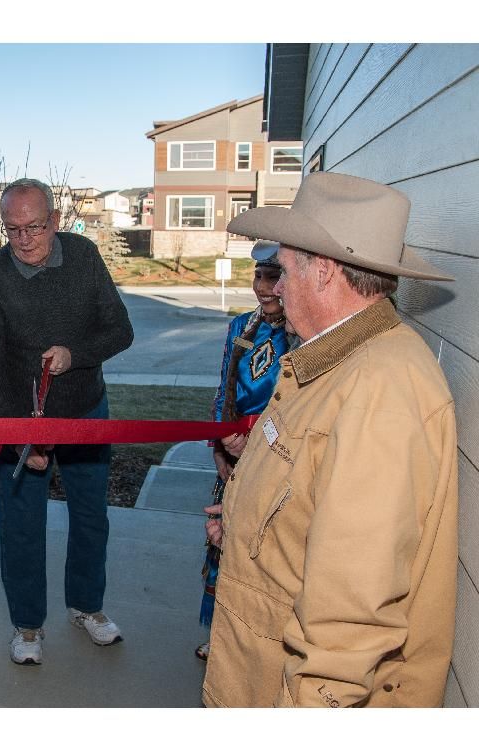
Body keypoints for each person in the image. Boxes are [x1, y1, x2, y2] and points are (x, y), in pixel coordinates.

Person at [203, 171, 458, 707]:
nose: (274, 288)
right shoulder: (335, 361)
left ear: (323, 271)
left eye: (285, 271)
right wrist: (244, 521)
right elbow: (312, 495)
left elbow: (350, 621)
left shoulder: (380, 393)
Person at [0, 178, 134, 665]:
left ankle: (87, 607)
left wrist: (74, 354)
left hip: (86, 409)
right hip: (20, 419)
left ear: (56, 222)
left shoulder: (83, 256)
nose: (24, 239)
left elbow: (120, 330)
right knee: (21, 521)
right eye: (12, 229)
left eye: (35, 227)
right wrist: (22, 435)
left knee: (90, 514)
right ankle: (27, 624)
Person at [195, 240, 292, 661]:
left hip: (279, 462)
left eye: (273, 277)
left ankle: (256, 646)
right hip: (234, 459)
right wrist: (219, 448)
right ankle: (222, 638)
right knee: (224, 548)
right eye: (258, 277)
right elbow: (225, 391)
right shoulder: (241, 327)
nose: (263, 288)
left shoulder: (302, 335)